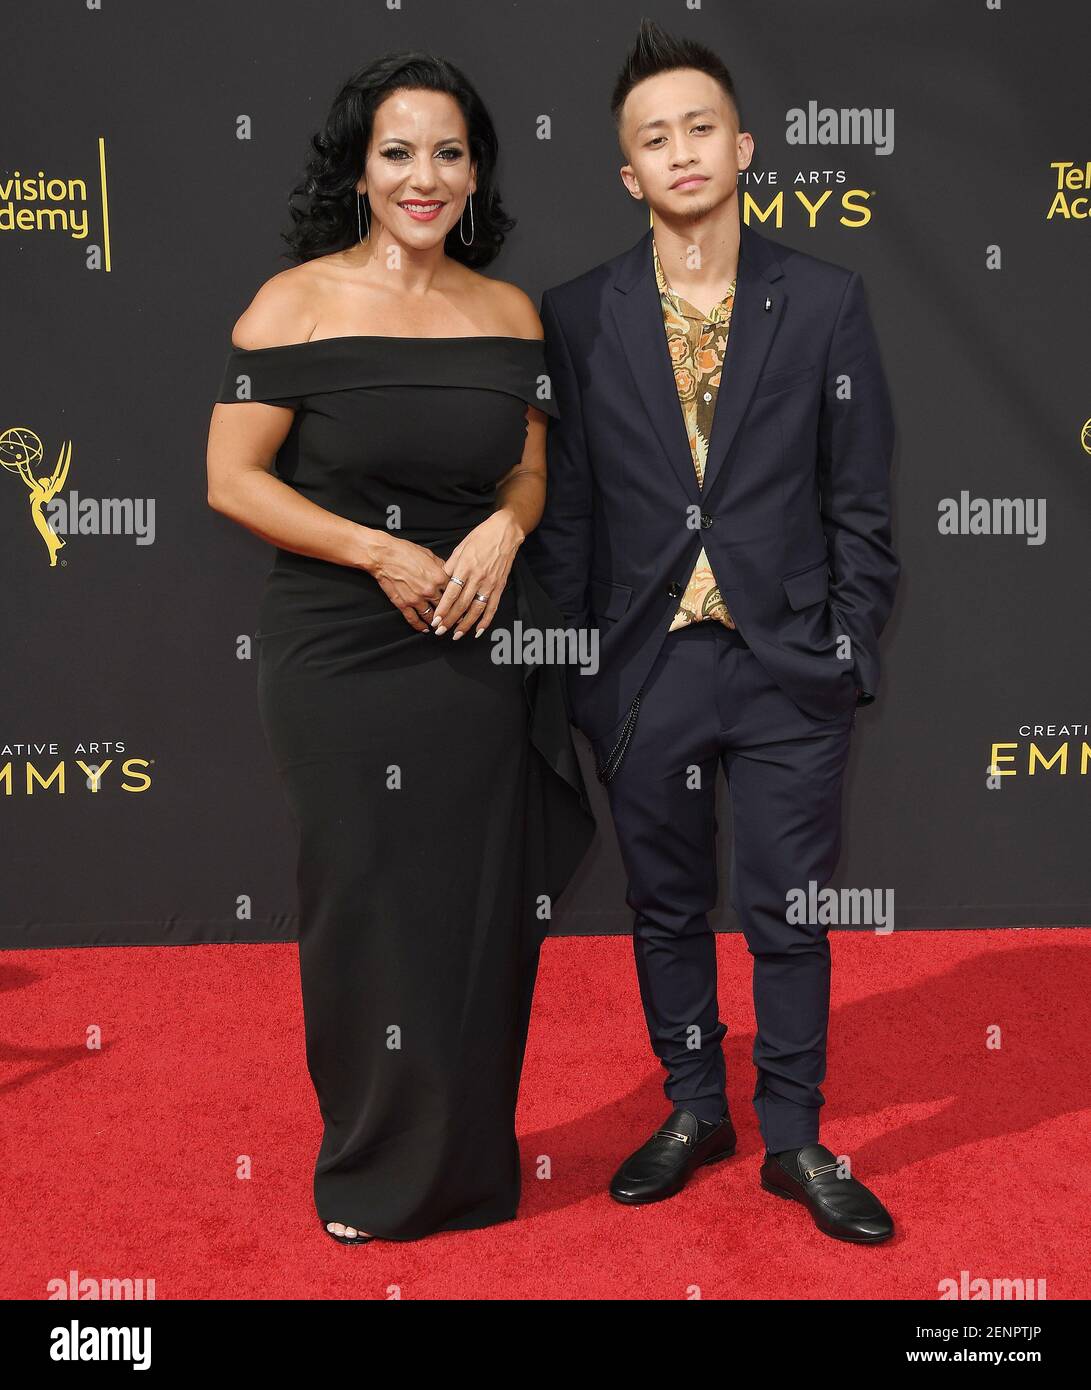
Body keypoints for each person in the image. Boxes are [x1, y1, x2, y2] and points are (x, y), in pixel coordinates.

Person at [206, 53, 594, 1244]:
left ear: (475, 173)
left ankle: (467, 1164)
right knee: (367, 899)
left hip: (477, 639)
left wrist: (506, 525)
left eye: (447, 153)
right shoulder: (292, 304)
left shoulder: (509, 312)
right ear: (359, 172)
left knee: (474, 904)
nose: (422, 176)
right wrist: (375, 553)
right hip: (340, 648)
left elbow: (527, 463)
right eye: (397, 152)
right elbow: (231, 479)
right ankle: (373, 1170)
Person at [524, 19, 899, 1243]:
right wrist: (584, 668)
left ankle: (791, 1134)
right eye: (652, 138)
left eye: (699, 128)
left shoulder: (826, 300)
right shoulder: (576, 315)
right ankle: (695, 1105)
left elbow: (859, 500)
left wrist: (845, 642)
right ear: (626, 174)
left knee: (791, 911)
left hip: (787, 663)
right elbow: (567, 511)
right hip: (644, 668)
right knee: (664, 906)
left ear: (742, 145)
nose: (680, 151)